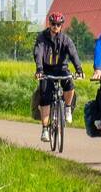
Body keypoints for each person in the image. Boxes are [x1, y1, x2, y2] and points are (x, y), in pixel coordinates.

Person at [33, 11, 84, 142]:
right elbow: (38, 53)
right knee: (45, 97)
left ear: (62, 26)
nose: (55, 26)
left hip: (61, 68)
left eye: (58, 24)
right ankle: (45, 129)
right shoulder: (42, 38)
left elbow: (73, 53)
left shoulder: (65, 39)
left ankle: (67, 108)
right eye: (53, 24)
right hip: (46, 69)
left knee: (69, 82)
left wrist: (79, 69)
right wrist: (39, 69)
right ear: (49, 24)